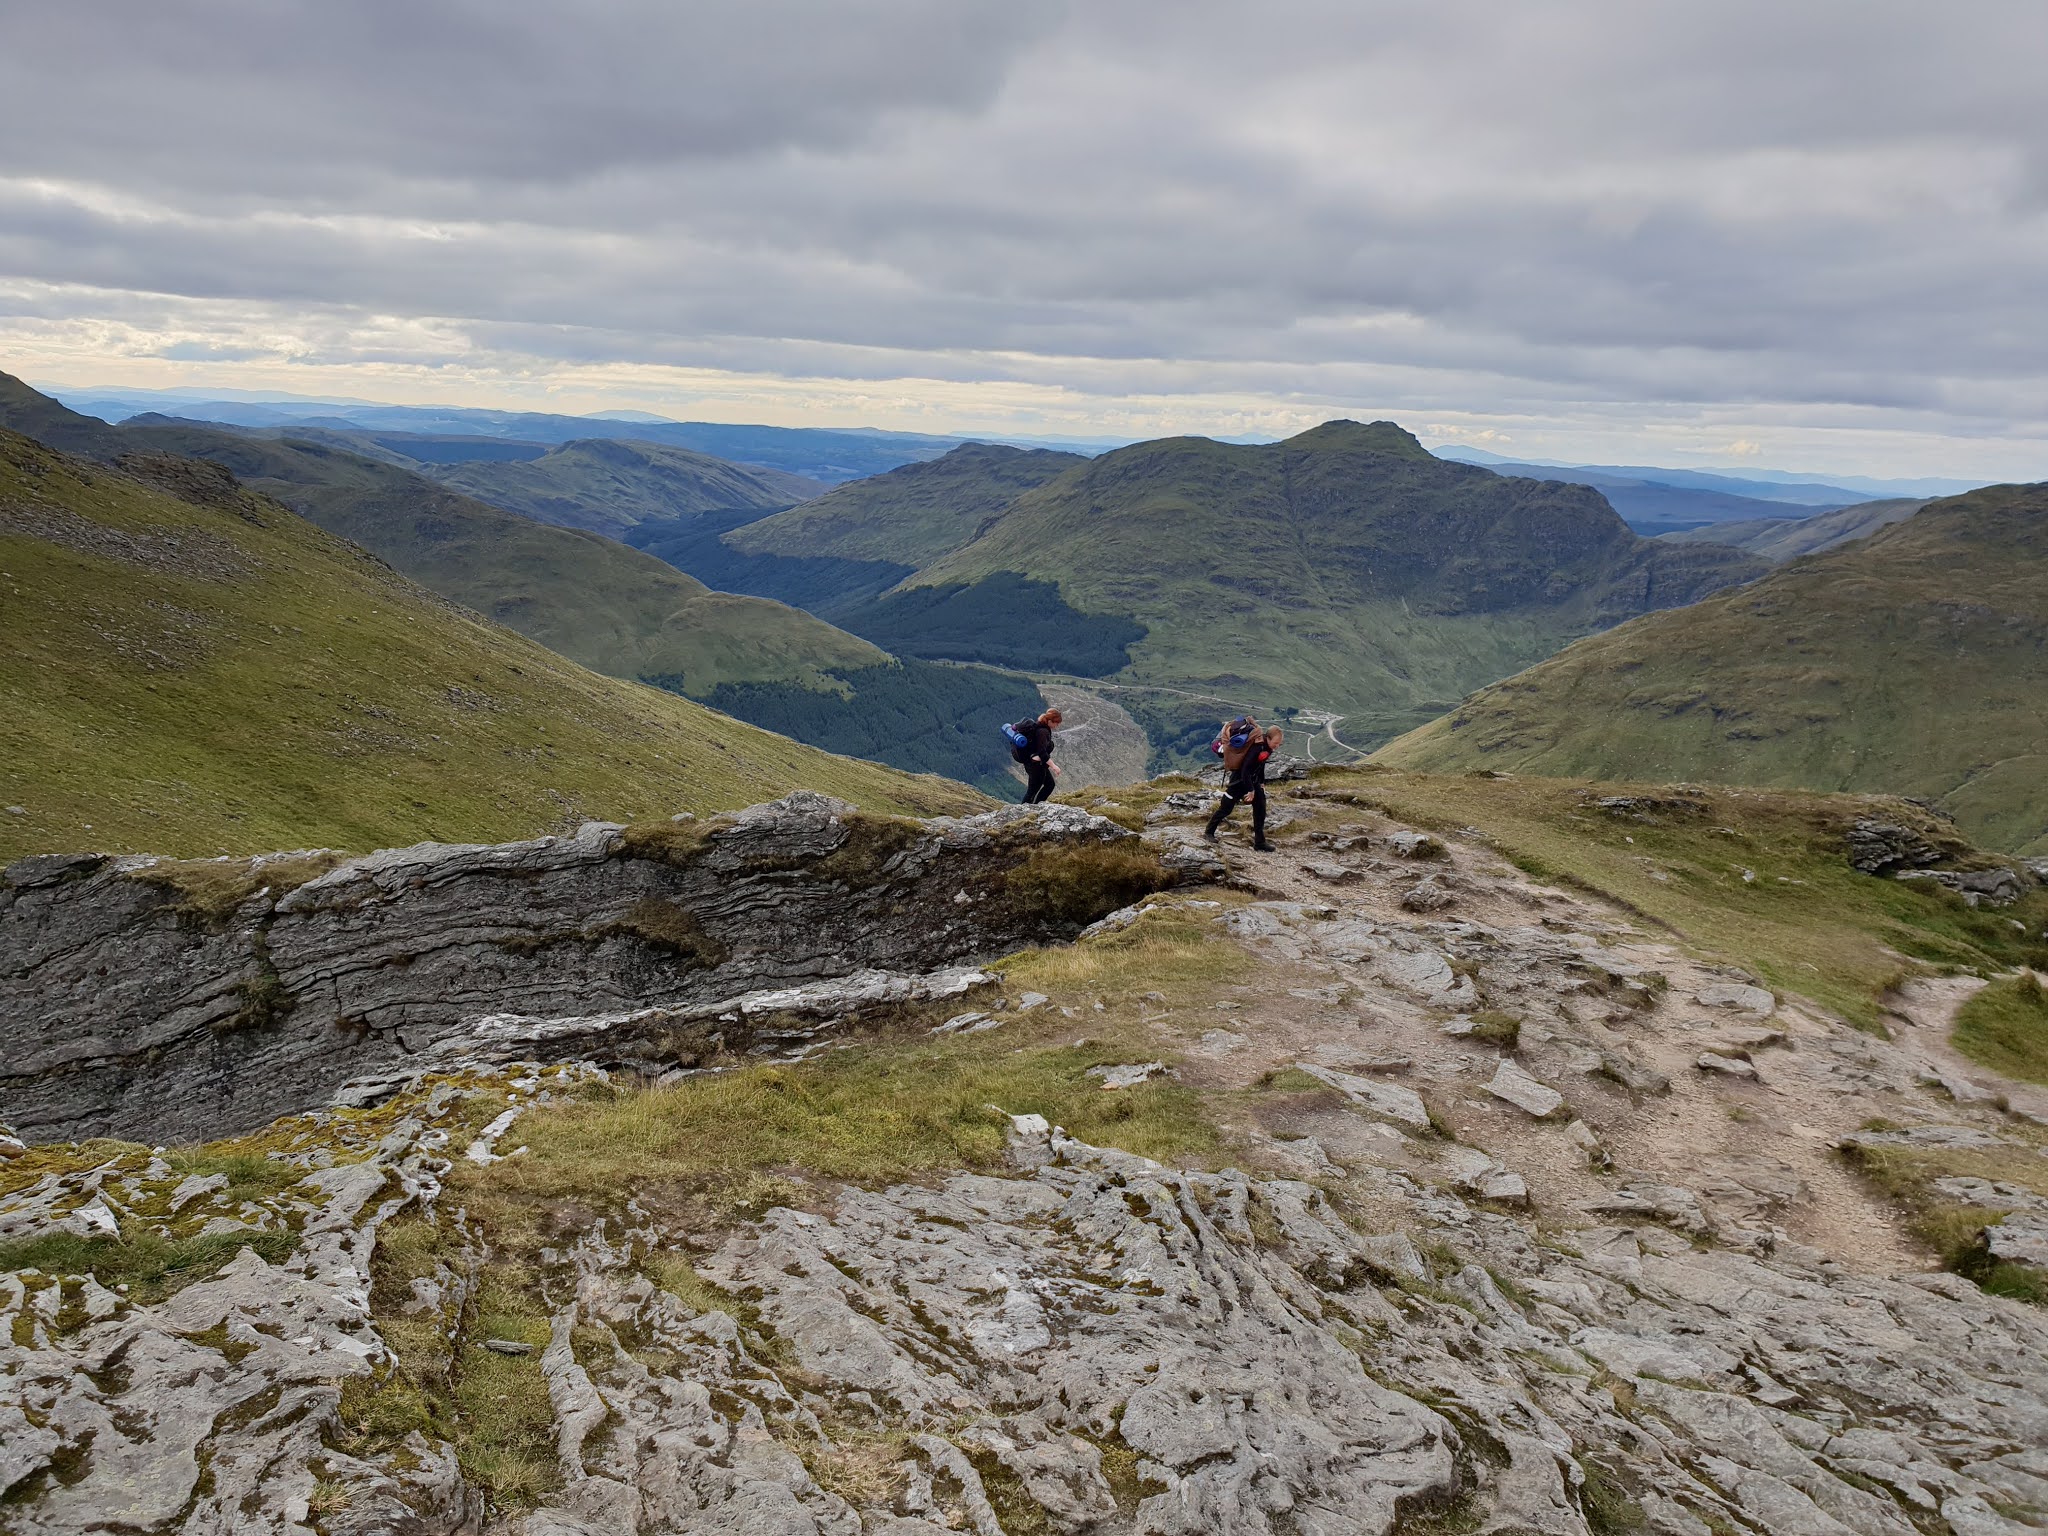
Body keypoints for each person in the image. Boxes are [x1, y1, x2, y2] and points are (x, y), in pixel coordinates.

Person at [1204, 720, 1282, 850]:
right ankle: (1209, 832)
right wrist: (1251, 790)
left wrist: (1261, 783)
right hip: (1239, 780)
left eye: (1279, 744)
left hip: (1253, 780)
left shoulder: (1267, 748)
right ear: (1267, 738)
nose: (1277, 746)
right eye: (1275, 743)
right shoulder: (1257, 747)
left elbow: (1260, 765)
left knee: (1260, 809)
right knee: (1226, 808)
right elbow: (1245, 769)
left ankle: (1260, 842)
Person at [1011, 708, 1064, 803]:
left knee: (1049, 784)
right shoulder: (1043, 732)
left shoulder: (1039, 726)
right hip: (1035, 765)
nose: (1057, 726)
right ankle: (1025, 811)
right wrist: (1054, 766)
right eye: (1056, 723)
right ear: (1050, 721)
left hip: (1036, 763)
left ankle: (1037, 806)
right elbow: (1042, 753)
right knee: (1032, 790)